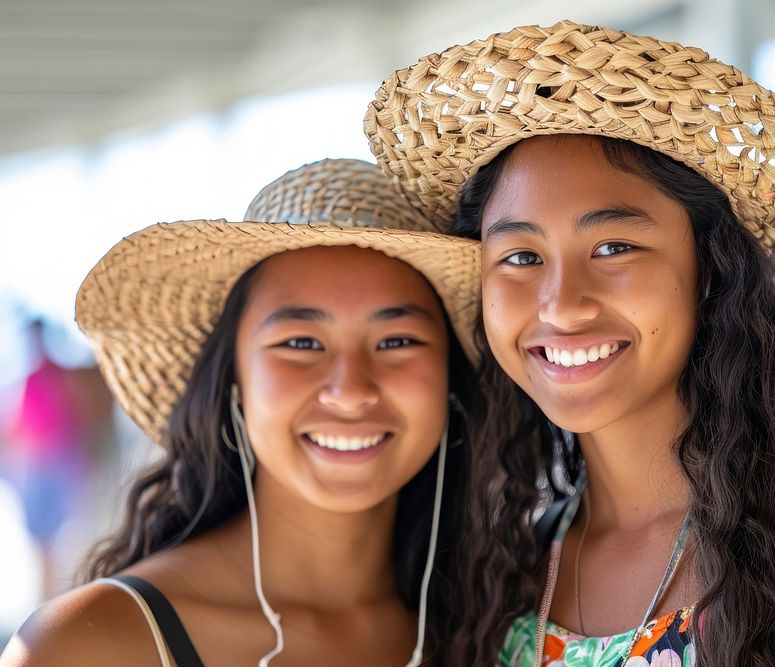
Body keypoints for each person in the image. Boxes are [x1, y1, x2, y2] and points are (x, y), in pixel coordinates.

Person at [365, 21, 775, 666]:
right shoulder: (509, 569)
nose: (560, 303)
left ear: (711, 271)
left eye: (614, 247)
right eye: (521, 255)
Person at [0, 158, 481, 666]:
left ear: (451, 376)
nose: (350, 390)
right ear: (233, 379)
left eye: (398, 340)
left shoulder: (497, 623)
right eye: (300, 342)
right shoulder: (91, 644)